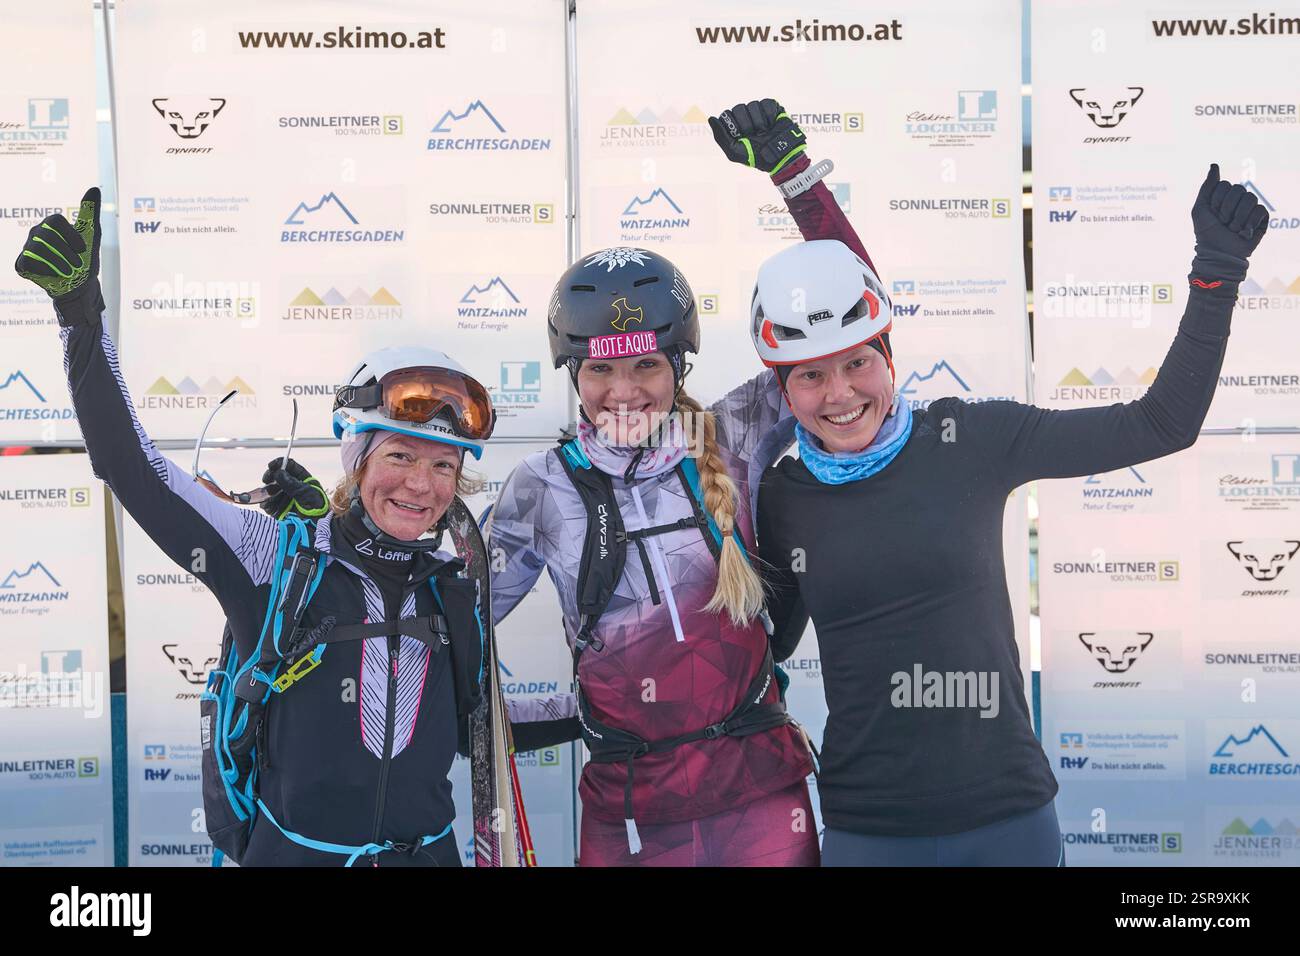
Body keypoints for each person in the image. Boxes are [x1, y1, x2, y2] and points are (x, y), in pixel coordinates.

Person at [745, 164, 1270, 865]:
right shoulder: (782, 497)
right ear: (784, 390)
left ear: (888, 357)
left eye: (857, 363)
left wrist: (1216, 273)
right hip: (868, 827)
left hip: (1005, 816)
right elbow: (764, 649)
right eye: (810, 375)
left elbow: (1162, 424)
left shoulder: (971, 441)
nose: (839, 393)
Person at [15, 190, 498, 866]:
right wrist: (80, 317)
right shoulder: (275, 559)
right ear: (356, 459)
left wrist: (617, 721)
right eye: (399, 456)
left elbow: (482, 730)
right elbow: (134, 469)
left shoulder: (453, 589)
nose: (421, 484)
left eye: (444, 466)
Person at [484, 100, 872, 866]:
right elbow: (446, 617)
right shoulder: (539, 489)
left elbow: (858, 326)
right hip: (631, 817)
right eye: (600, 369)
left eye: (646, 367)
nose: (623, 391)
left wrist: (798, 181)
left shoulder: (734, 433)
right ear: (574, 371)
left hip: (763, 801)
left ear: (678, 367)